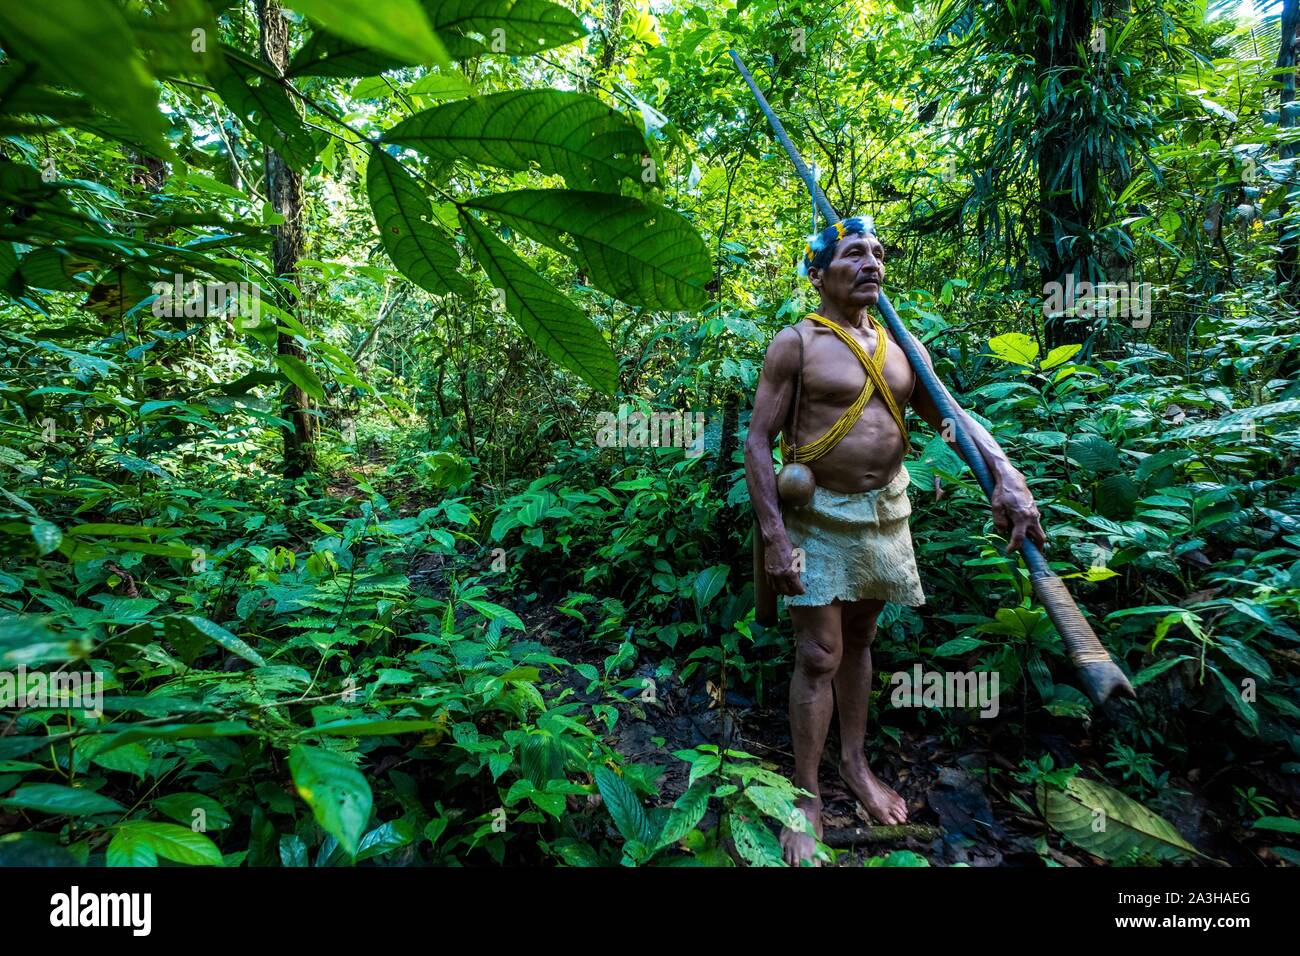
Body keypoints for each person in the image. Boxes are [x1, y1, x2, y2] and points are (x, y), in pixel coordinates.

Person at [742, 216, 1047, 866]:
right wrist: (772, 534)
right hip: (813, 515)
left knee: (860, 642)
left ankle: (854, 764)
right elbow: (757, 441)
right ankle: (805, 795)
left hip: (885, 512)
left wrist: (1006, 474)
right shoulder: (795, 343)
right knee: (820, 653)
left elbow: (952, 418)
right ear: (818, 273)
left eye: (878, 252)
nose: (872, 261)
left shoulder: (903, 349)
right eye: (854, 252)